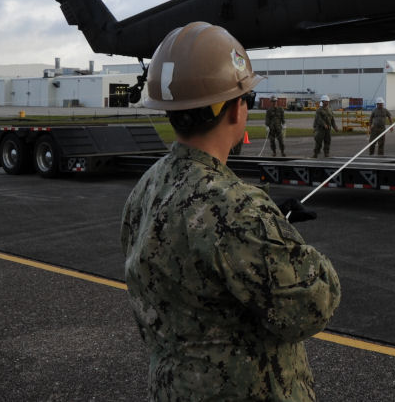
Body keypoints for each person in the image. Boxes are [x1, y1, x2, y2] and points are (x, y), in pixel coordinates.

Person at [120, 21, 341, 401]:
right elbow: (312, 304)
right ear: (238, 110)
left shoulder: (148, 187)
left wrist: (268, 224)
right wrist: (286, 240)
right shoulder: (235, 208)